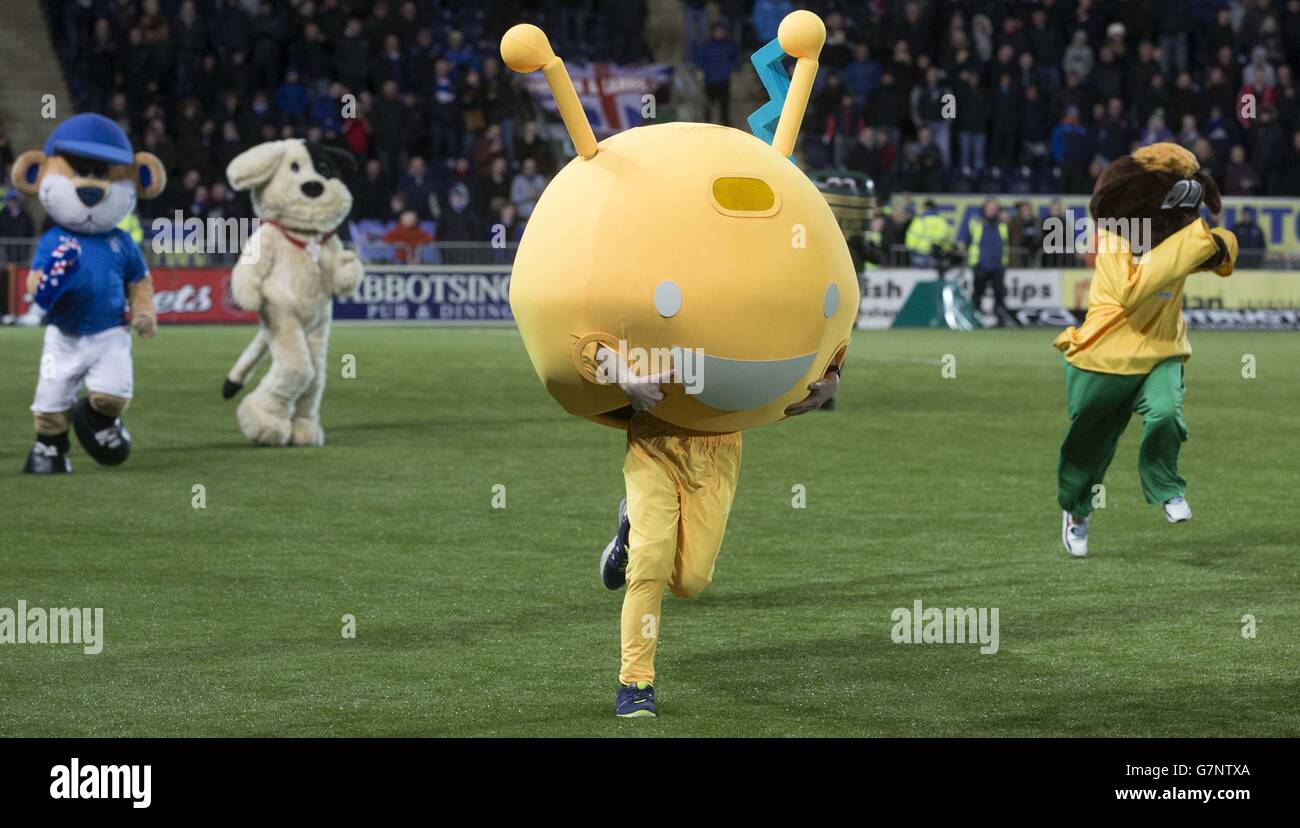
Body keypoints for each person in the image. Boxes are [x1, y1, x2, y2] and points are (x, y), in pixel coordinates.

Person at [1053, 144, 1236, 558]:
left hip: (1160, 350)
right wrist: (1192, 241)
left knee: (1167, 413)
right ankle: (1076, 509)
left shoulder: (1180, 238)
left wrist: (1213, 242)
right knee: (1089, 445)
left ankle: (1167, 488)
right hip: (1103, 357)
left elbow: (1224, 248)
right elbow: (1132, 291)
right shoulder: (1115, 239)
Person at [960, 198, 1014, 326]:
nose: (992, 211)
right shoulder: (976, 223)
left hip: (998, 265)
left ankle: (1000, 320)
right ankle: (973, 320)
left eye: (994, 209)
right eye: (989, 208)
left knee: (999, 294)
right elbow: (966, 241)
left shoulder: (1002, 225)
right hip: (980, 265)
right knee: (978, 294)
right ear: (984, 209)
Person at [695, 24, 738, 125]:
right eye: (718, 31)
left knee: (724, 105)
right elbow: (699, 59)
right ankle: (707, 124)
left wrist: (728, 68)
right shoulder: (707, 45)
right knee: (708, 105)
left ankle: (726, 126)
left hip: (724, 80)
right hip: (710, 80)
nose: (720, 33)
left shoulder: (729, 45)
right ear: (713, 32)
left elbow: (736, 60)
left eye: (721, 31)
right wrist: (706, 69)